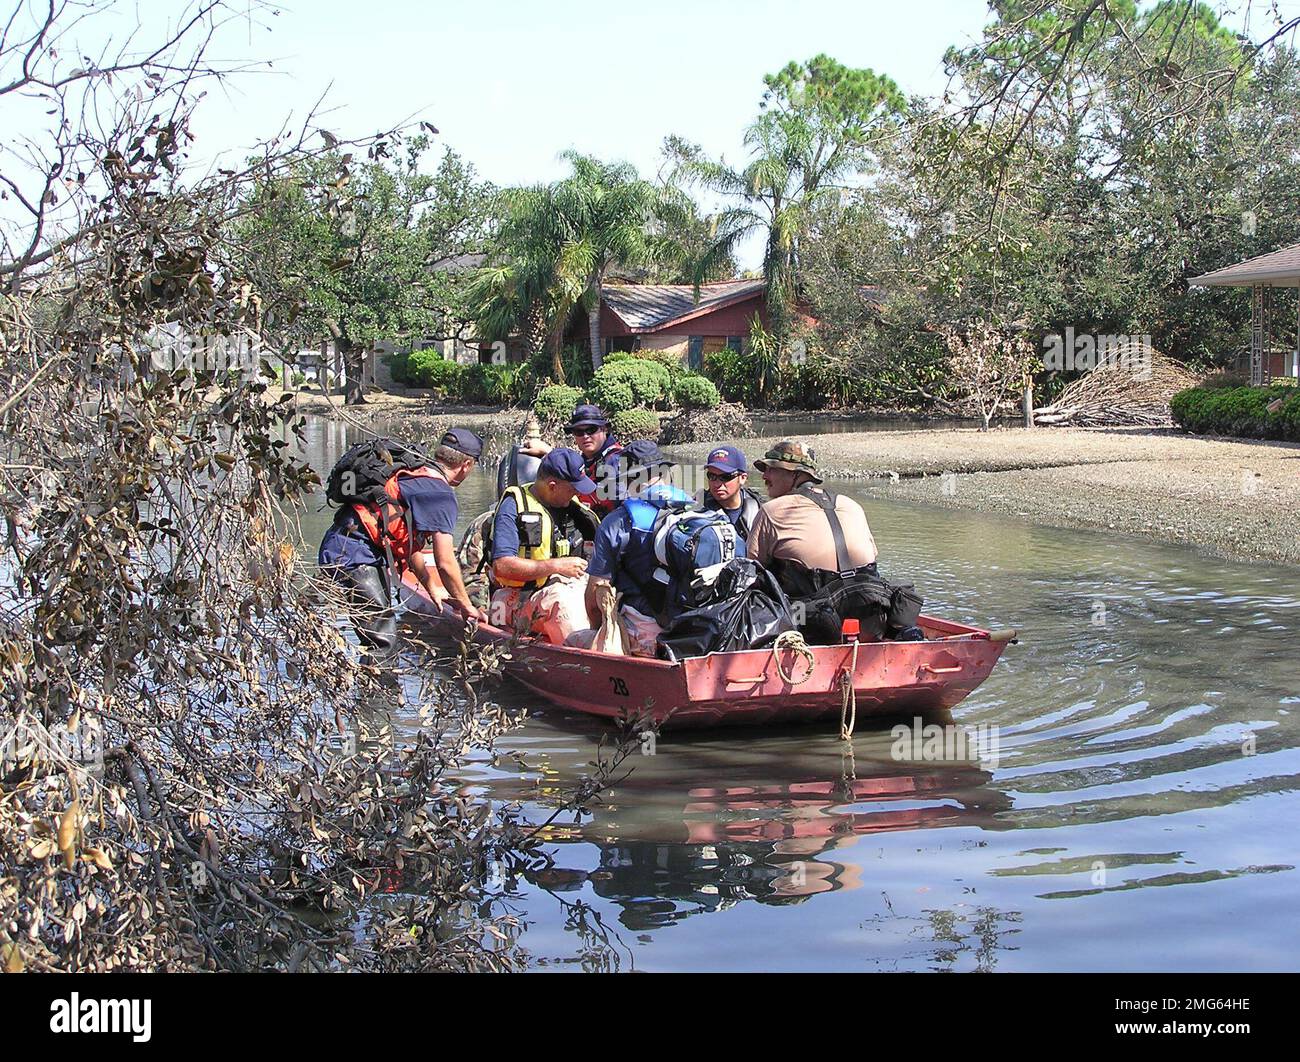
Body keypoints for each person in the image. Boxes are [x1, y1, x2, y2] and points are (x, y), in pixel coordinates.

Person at [584, 440, 694, 654]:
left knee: (574, 639)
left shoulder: (617, 522)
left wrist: (600, 631)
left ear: (626, 479)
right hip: (696, 631)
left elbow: (596, 594)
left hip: (645, 637)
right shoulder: (693, 508)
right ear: (664, 473)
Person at [489, 448, 600, 641]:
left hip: (571, 587)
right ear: (552, 486)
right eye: (573, 489)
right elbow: (502, 566)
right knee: (561, 601)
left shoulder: (576, 511)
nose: (577, 494)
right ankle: (578, 652)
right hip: (517, 597)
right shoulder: (512, 506)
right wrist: (556, 566)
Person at [748, 440, 878, 580]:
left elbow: (751, 570)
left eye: (771, 469)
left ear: (796, 474)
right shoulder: (851, 505)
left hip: (812, 592)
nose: (764, 476)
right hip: (867, 588)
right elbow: (873, 555)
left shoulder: (772, 511)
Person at [700, 445, 762, 545]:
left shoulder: (760, 510)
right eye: (711, 476)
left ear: (743, 478)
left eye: (725, 477)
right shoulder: (697, 507)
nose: (717, 484)